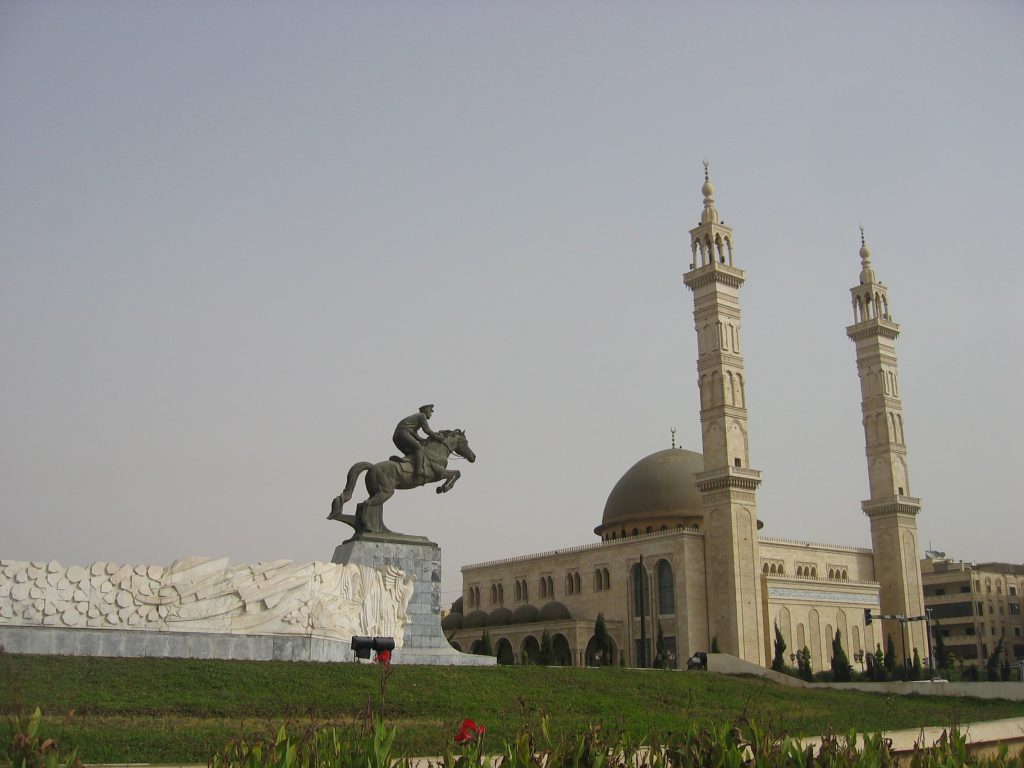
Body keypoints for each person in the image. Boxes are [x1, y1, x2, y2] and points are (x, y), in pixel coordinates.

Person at [393, 404, 441, 479]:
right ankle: (419, 470)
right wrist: (437, 437)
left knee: (411, 453)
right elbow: (427, 430)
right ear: (426, 411)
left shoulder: (416, 417)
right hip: (403, 433)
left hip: (396, 436)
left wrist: (421, 439)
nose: (431, 414)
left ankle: (407, 464)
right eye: (430, 412)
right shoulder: (422, 416)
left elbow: (414, 433)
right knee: (419, 449)